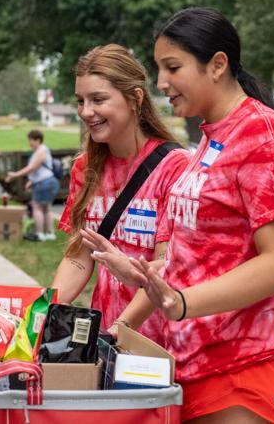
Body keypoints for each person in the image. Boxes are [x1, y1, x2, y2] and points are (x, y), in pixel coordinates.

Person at [87, 7, 274, 423]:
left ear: (217, 65)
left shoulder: (262, 135)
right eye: (159, 68)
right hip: (188, 366)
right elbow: (194, 259)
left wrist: (182, 302)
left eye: (173, 67)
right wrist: (133, 302)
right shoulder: (209, 140)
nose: (161, 82)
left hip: (241, 368)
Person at [49, 45, 190, 345]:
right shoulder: (85, 168)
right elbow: (79, 257)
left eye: (98, 99)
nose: (86, 112)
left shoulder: (174, 167)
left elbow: (166, 268)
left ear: (135, 99)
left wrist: (120, 329)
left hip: (157, 343)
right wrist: (46, 308)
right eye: (80, 101)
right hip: (108, 338)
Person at [5, 130, 60, 241]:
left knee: (37, 208)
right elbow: (39, 170)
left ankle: (39, 234)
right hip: (49, 181)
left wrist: (14, 175)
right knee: (47, 209)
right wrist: (31, 181)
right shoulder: (42, 150)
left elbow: (32, 168)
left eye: (31, 140)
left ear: (37, 140)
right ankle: (50, 234)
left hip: (44, 183)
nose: (29, 143)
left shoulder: (41, 151)